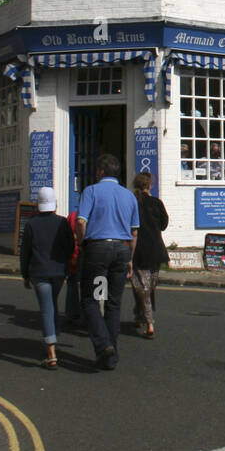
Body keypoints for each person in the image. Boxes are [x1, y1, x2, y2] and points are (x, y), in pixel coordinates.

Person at [75, 153, 140, 370]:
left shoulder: (91, 191)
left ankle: (104, 346)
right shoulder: (129, 196)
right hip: (121, 250)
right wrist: (130, 259)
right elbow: (134, 233)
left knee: (91, 299)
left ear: (101, 172)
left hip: (98, 250)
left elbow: (81, 222)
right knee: (113, 302)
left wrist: (81, 242)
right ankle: (111, 353)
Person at [19, 187, 74, 369]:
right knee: (53, 304)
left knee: (46, 308)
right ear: (55, 204)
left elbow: (25, 252)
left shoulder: (31, 224)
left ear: (38, 205)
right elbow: (70, 246)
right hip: (59, 271)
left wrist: (25, 274)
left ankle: (51, 353)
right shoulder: (63, 222)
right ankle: (54, 336)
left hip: (39, 272)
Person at [130, 172, 169, 339]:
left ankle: (148, 320)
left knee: (142, 287)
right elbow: (164, 224)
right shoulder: (156, 203)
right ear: (149, 185)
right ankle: (142, 317)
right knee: (150, 286)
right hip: (156, 249)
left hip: (139, 249)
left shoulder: (133, 202)